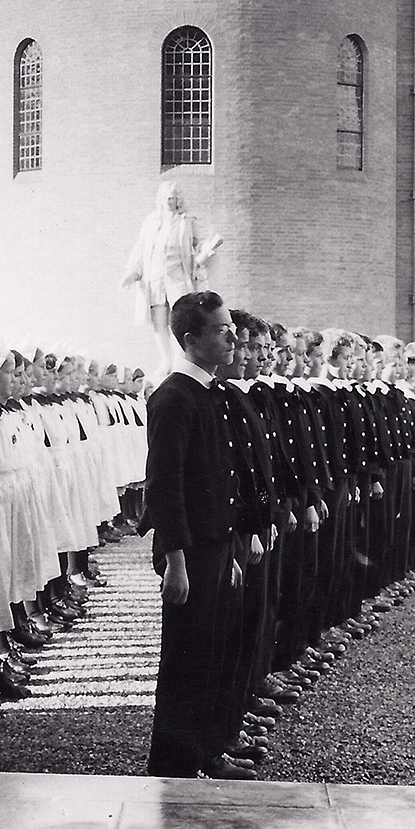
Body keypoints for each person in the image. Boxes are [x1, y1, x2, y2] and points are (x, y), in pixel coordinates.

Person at [142, 290, 249, 779]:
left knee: (213, 654)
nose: (233, 337)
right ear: (191, 339)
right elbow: (165, 488)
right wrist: (177, 563)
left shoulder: (211, 393)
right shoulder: (174, 395)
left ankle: (208, 751)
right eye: (222, 330)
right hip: (191, 553)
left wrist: (227, 548)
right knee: (187, 662)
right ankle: (175, 766)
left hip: (215, 546)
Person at [120, 181, 224, 372]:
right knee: (159, 321)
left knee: (180, 320)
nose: (170, 201)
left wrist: (208, 248)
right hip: (155, 278)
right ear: (160, 199)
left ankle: (180, 360)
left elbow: (199, 244)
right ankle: (165, 360)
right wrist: (132, 273)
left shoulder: (187, 221)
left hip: (177, 278)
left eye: (174, 198)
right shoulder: (151, 222)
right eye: (167, 198)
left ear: (179, 200)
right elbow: (140, 249)